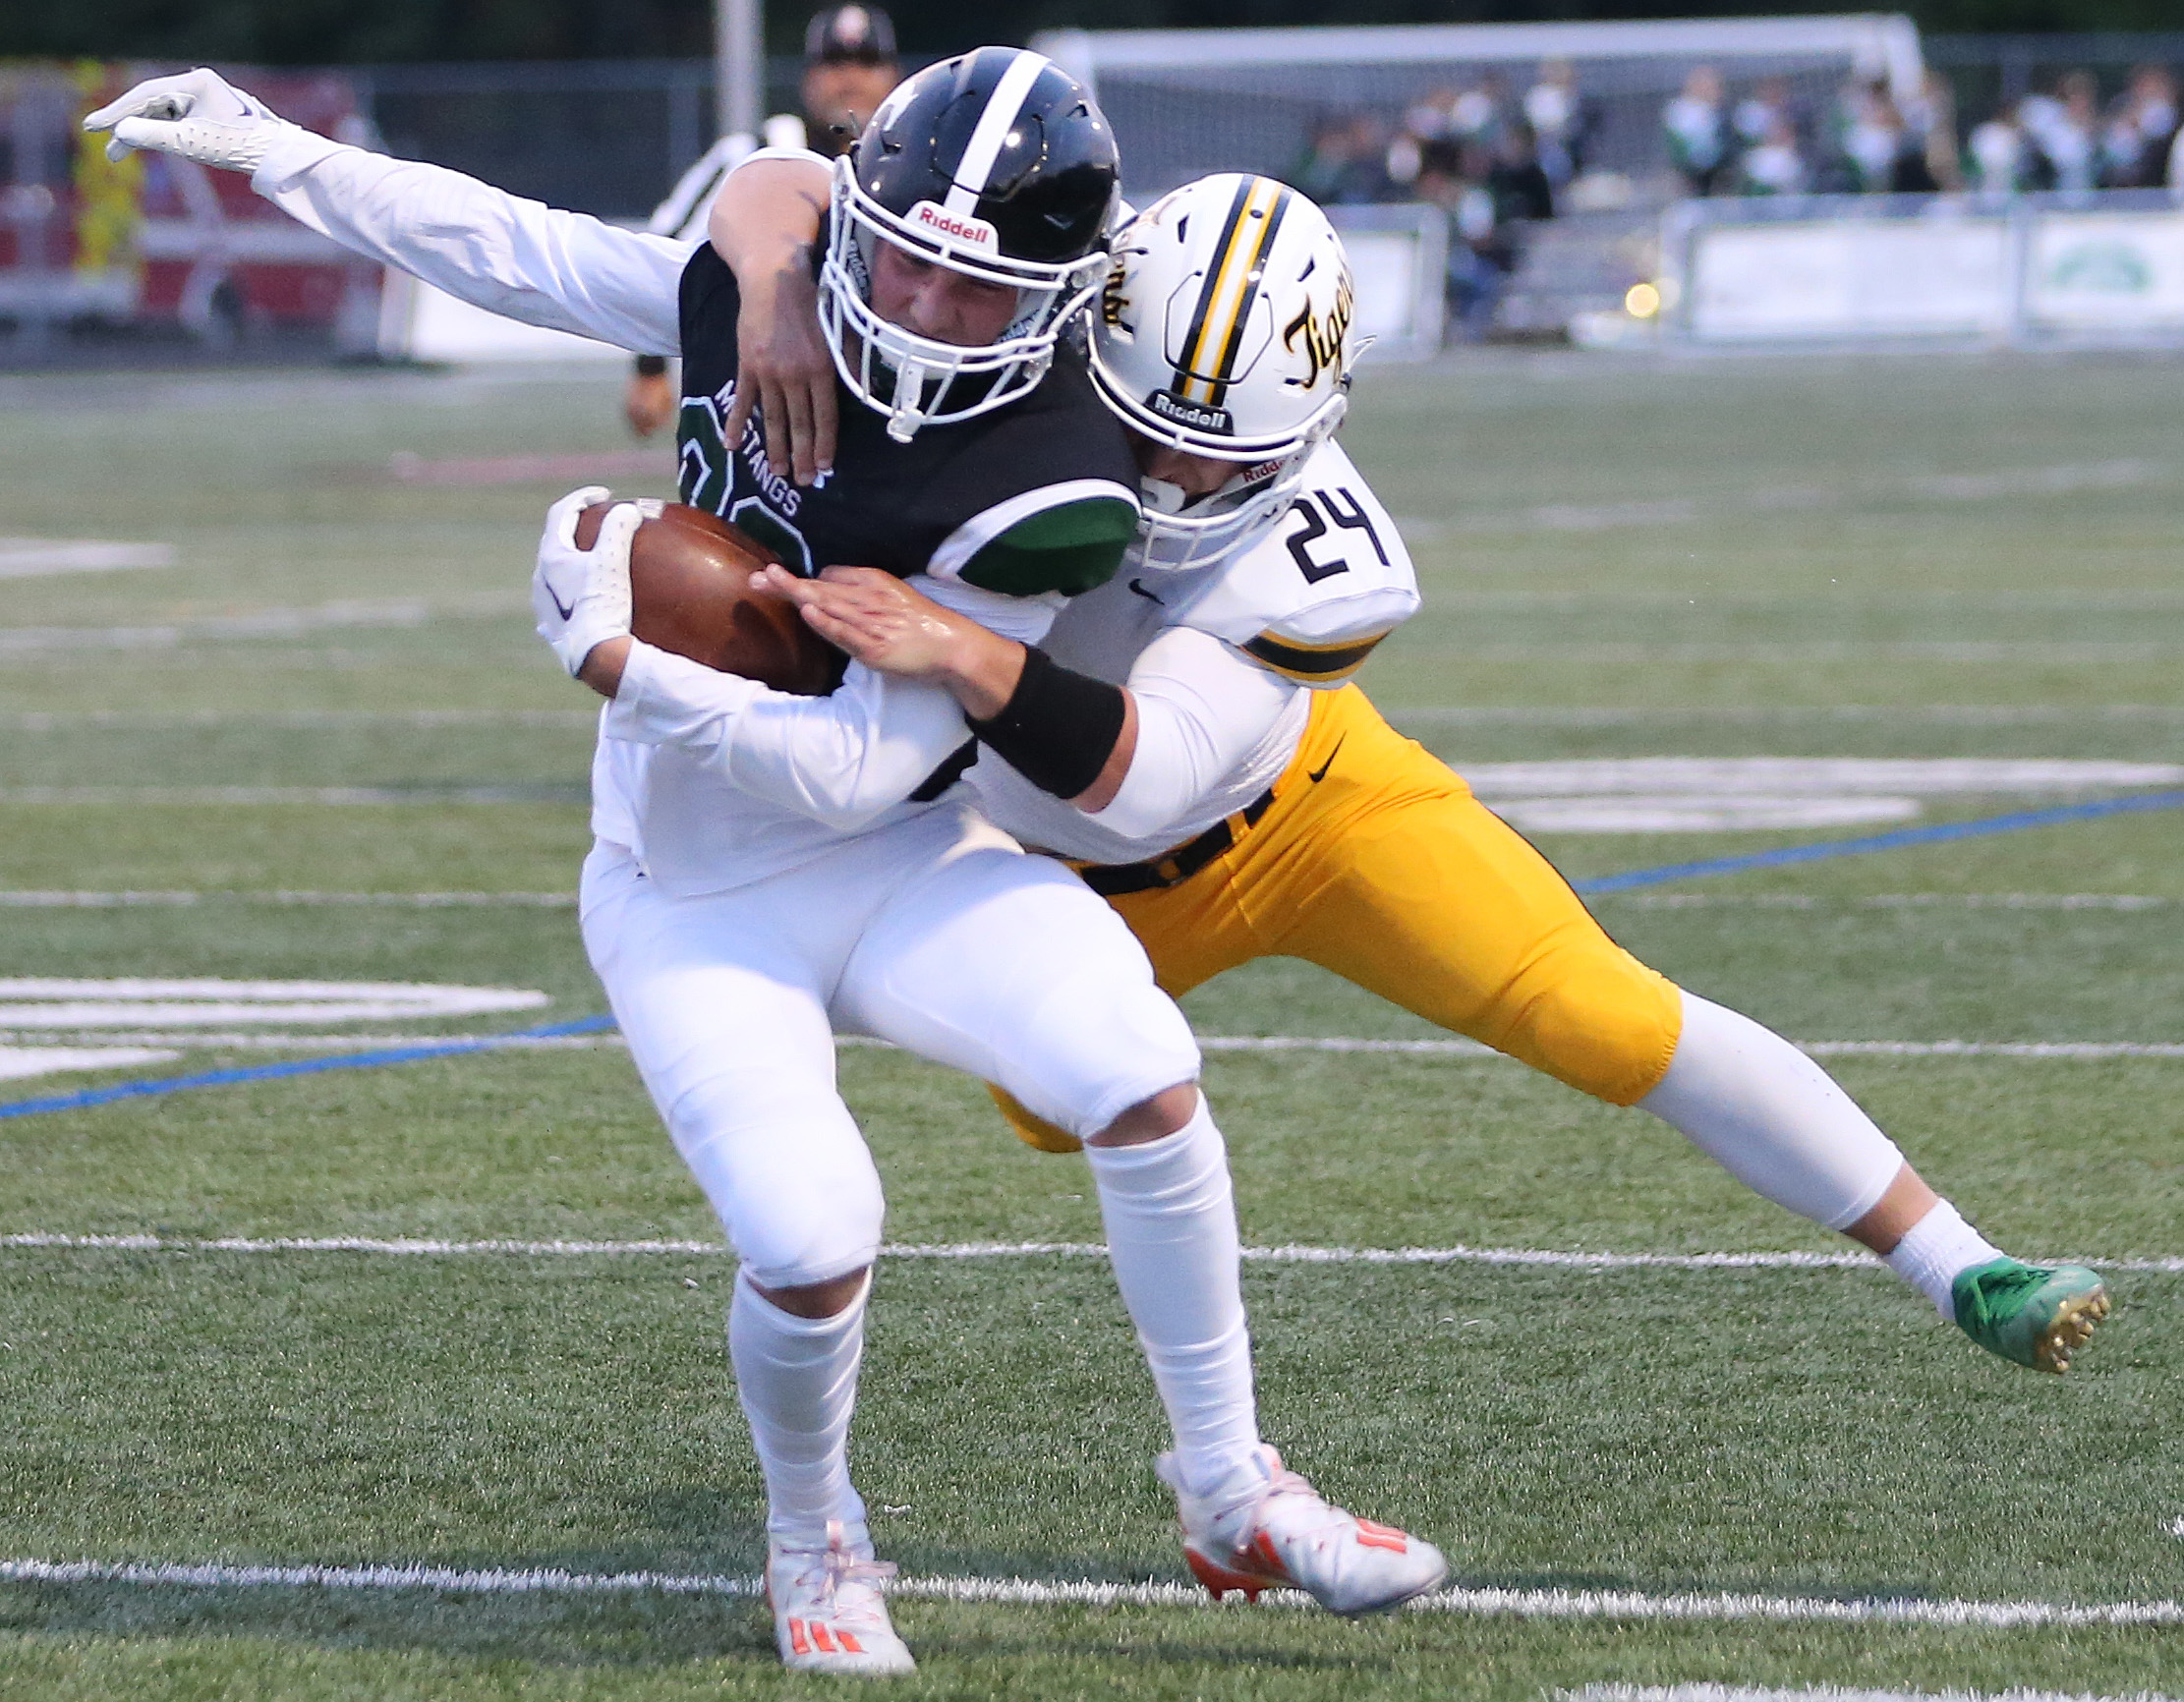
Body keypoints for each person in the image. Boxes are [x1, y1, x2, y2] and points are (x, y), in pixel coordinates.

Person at [86, 52, 1447, 1676]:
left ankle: (1229, 1482)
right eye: (904, 261)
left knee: (1140, 1064)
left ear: (1060, 300)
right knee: (811, 1234)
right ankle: (814, 1538)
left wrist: (624, 660)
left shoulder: (1056, 478)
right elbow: (509, 246)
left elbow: (865, 759)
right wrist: (268, 145)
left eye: (976, 286)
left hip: (896, 846)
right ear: (849, 224)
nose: (929, 308)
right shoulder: (760, 284)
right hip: (688, 889)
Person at [733, 168, 2114, 1387]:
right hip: (1064, 884)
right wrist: (765, 292)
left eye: (1217, 456)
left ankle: (1958, 1261)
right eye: (1143, 428)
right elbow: (774, 186)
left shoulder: (1320, 556)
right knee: (1053, 1110)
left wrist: (958, 651)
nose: (1164, 476)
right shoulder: (1009, 337)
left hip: (1310, 813)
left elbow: (1145, 781)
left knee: (1608, 1018)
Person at [623, 4, 899, 439]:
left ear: (893, 76)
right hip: (755, 402)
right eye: (833, 63)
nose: (851, 78)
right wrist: (650, 367)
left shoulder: (908, 169)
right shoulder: (756, 152)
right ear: (809, 77)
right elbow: (665, 245)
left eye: (867, 63)